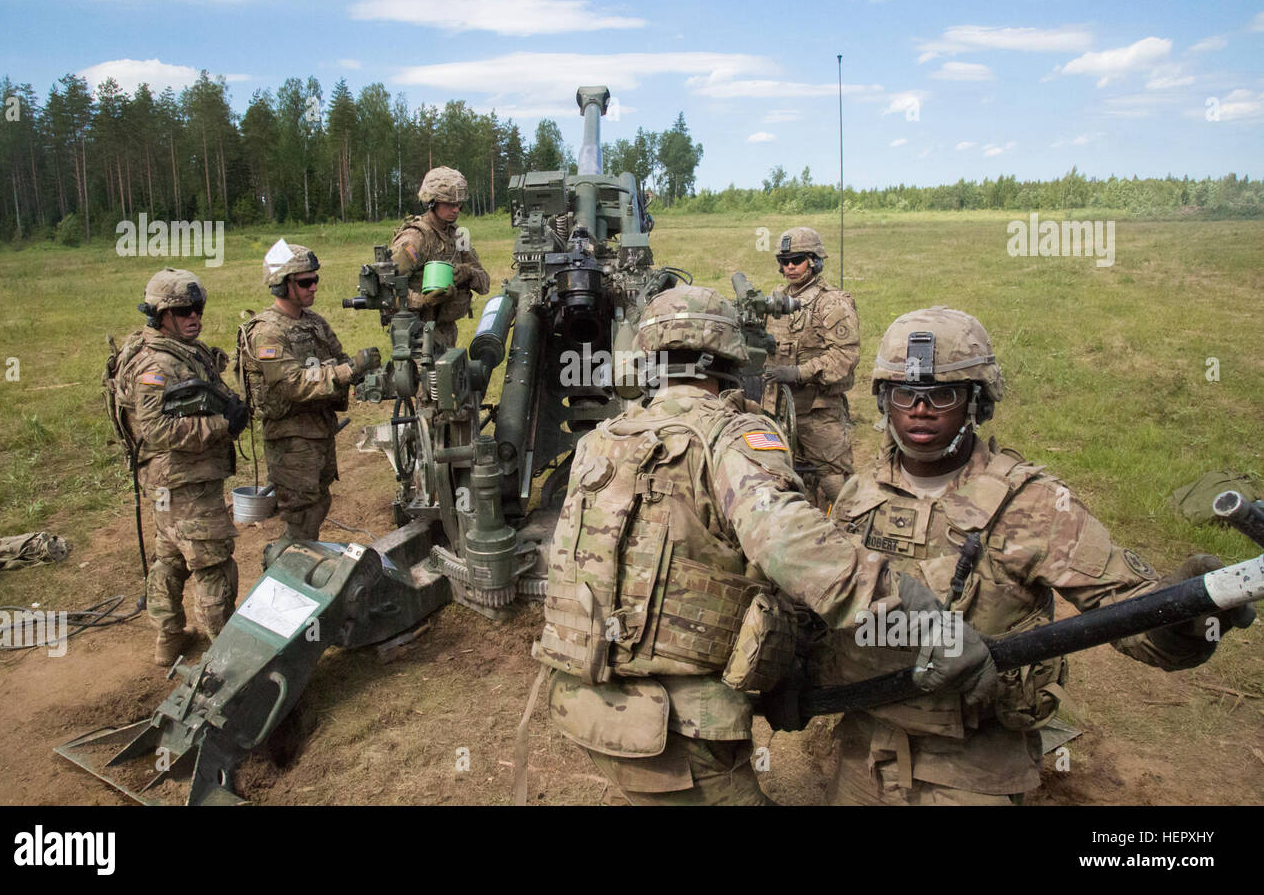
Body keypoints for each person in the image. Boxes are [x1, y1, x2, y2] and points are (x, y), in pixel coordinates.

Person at [532, 286, 997, 805]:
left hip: (581, 700)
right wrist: (921, 616)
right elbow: (790, 542)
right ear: (731, 359)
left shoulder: (602, 439)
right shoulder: (730, 436)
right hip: (671, 724)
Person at [813, 306, 1256, 805]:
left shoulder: (1034, 505)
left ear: (976, 403)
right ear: (884, 402)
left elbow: (1132, 618)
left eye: (943, 394)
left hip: (973, 768)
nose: (920, 409)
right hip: (863, 747)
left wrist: (1187, 613)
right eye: (904, 394)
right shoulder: (858, 495)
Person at [113, 268, 248, 666]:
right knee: (212, 566)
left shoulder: (173, 349)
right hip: (184, 481)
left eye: (197, 307)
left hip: (170, 482)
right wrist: (223, 425)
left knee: (170, 559)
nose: (194, 316)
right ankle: (229, 656)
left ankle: (168, 638)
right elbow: (156, 429)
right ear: (159, 315)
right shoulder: (156, 364)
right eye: (182, 310)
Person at [239, 240, 381, 542]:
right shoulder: (267, 332)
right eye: (305, 282)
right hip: (291, 440)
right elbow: (293, 383)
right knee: (300, 517)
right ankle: (285, 570)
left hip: (318, 432)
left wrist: (365, 374)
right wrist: (349, 371)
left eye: (315, 279)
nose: (314, 286)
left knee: (318, 504)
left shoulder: (314, 323)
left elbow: (340, 360)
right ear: (281, 285)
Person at [761, 227, 859, 510]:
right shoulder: (775, 299)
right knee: (781, 482)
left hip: (818, 411)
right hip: (778, 412)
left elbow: (845, 355)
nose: (790, 267)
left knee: (835, 485)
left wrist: (800, 373)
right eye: (784, 261)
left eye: (798, 259)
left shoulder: (832, 302)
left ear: (814, 261)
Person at [389, 166, 490, 351]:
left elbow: (485, 285)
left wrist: (468, 273)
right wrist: (422, 301)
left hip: (447, 332)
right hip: (417, 336)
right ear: (431, 202)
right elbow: (384, 293)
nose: (456, 210)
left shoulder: (458, 236)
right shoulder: (415, 239)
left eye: (459, 204)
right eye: (450, 204)